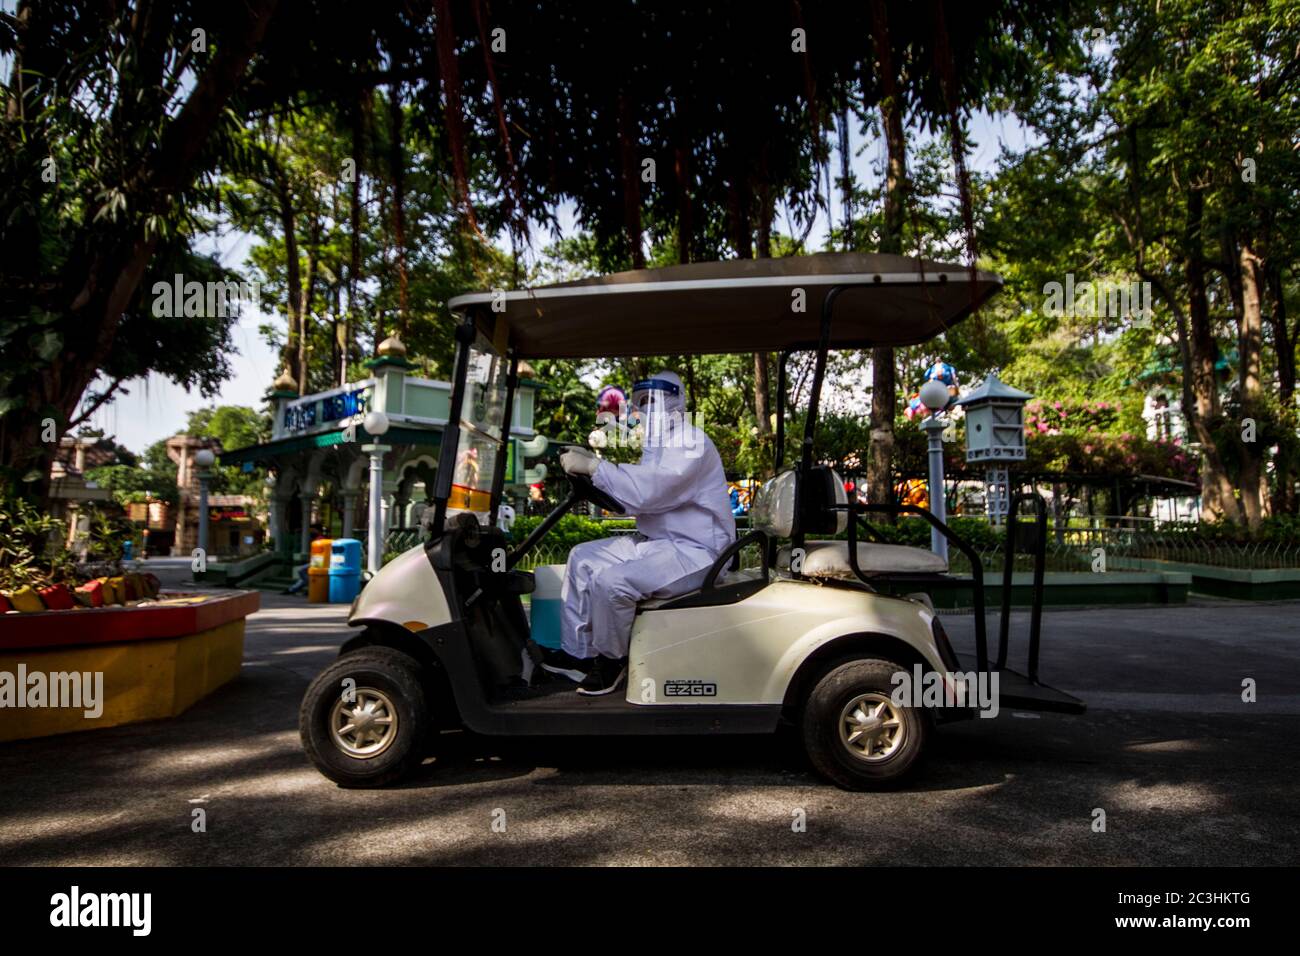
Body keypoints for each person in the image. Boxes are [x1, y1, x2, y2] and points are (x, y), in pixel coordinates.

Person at [542, 370, 735, 696]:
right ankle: (578, 654)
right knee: (582, 557)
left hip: (698, 552)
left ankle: (612, 660)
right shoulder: (657, 445)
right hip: (658, 544)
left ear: (675, 402)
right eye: (642, 402)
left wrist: (595, 468)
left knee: (613, 582)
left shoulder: (692, 442)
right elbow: (635, 495)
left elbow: (653, 489)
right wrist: (595, 470)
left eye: (653, 400)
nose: (646, 408)